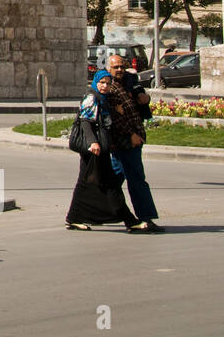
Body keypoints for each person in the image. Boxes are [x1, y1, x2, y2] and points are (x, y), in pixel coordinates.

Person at [65, 71, 139, 231]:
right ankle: (130, 221)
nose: (105, 86)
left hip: (99, 148)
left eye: (108, 83)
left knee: (86, 182)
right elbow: (85, 121)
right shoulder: (92, 97)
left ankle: (74, 218)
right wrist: (93, 142)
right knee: (110, 183)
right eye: (102, 83)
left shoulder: (102, 99)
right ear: (96, 83)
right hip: (94, 148)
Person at [97, 64, 165, 233]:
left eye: (121, 66)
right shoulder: (109, 88)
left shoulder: (128, 83)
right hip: (124, 141)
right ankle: (145, 217)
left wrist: (144, 98)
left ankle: (94, 211)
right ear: (108, 68)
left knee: (113, 179)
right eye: (115, 67)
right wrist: (130, 134)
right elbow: (114, 117)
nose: (119, 69)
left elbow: (136, 102)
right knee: (137, 179)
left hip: (133, 138)